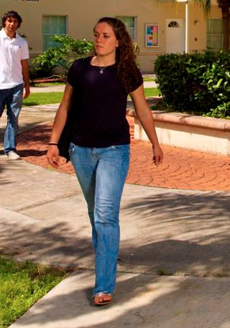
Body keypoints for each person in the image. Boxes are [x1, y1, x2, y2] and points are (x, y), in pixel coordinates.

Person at [46, 17, 164, 307]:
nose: (99, 39)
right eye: (96, 34)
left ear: (118, 40)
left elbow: (143, 110)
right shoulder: (80, 68)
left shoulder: (127, 71)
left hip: (114, 149)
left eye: (106, 35)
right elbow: (65, 106)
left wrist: (155, 142)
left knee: (105, 215)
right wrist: (53, 142)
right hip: (80, 150)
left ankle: (103, 284)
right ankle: (106, 258)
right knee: (94, 213)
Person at [0, 10, 30, 159]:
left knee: (13, 118)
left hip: (16, 85)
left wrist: (27, 85)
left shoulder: (22, 42)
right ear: (4, 22)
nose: (12, 24)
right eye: (9, 21)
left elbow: (24, 65)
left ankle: (10, 148)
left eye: (15, 21)